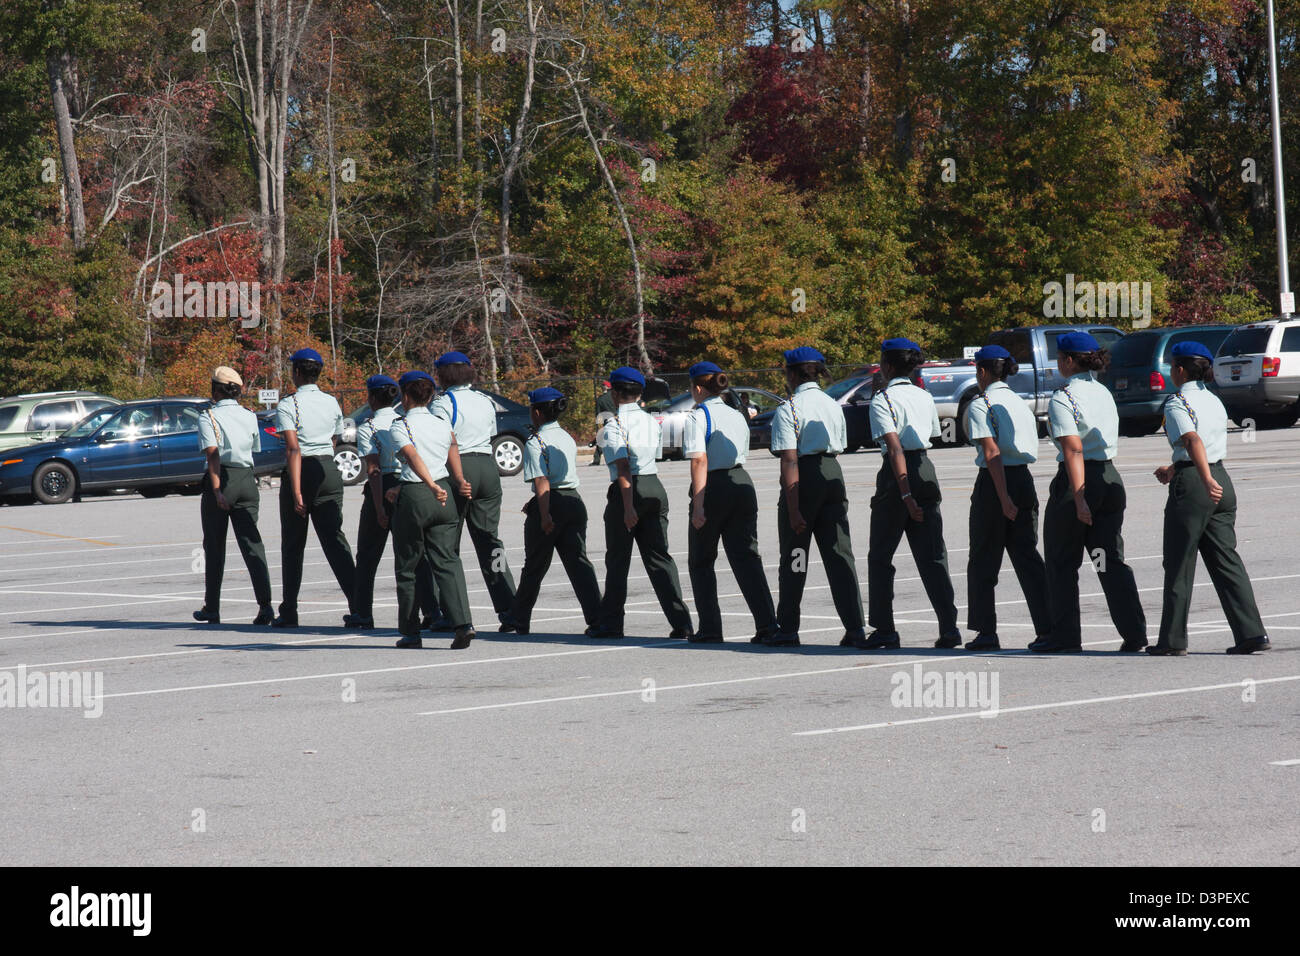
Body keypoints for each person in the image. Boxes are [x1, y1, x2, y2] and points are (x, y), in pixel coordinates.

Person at [1150, 342, 1270, 655]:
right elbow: (1207, 443)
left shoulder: (1177, 402)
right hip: (1221, 478)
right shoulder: (1213, 400)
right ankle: (1252, 633)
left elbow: (1192, 439)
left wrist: (1202, 479)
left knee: (1179, 562)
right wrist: (1176, 468)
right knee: (1226, 560)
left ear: (1178, 369)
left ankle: (1172, 641)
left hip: (1197, 485)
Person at [1033, 331, 1147, 653]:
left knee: (1061, 562)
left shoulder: (1064, 397)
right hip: (1109, 476)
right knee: (1108, 561)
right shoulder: (1103, 392)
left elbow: (1073, 450)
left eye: (1059, 358)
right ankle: (1135, 633)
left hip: (1077, 482)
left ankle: (1065, 637)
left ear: (1068, 360)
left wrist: (1079, 497)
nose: (1058, 363)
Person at [861, 338, 960, 650]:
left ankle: (885, 629)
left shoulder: (883, 400)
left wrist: (905, 495)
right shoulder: (922, 395)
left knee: (880, 557)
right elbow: (930, 434)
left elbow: (894, 448)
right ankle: (949, 627)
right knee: (933, 557)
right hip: (924, 468)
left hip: (896, 477)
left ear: (887, 366)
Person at [767, 346, 865, 647]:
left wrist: (795, 509)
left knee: (796, 556)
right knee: (839, 556)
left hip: (804, 478)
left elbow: (790, 459)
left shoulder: (790, 408)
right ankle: (855, 627)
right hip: (833, 474)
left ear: (793, 373)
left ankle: (788, 628)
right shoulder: (832, 403)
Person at [588, 366, 694, 639]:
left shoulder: (613, 426)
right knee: (660, 559)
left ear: (614, 393)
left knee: (618, 560)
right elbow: (655, 454)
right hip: (654, 485)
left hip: (629, 491)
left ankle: (611, 623)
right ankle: (681, 622)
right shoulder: (652, 420)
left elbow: (623, 469)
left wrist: (627, 507)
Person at [962, 345, 1051, 650]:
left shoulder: (981, 403)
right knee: (1028, 560)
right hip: (1023, 479)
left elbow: (992, 453)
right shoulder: (1019, 402)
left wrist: (1003, 499)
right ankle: (1047, 628)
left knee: (984, 560)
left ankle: (986, 632)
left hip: (995, 483)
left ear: (982, 371)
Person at [684, 361, 777, 643]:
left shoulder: (698, 416)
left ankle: (711, 628)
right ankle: (767, 625)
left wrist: (698, 505)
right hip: (741, 483)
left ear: (698, 388)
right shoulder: (737, 414)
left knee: (701, 560)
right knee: (747, 558)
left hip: (714, 486)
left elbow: (699, 459)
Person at [499, 388, 602, 635]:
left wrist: (544, 515)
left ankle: (518, 618)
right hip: (572, 501)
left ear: (536, 412)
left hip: (551, 503)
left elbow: (543, 481)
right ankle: (598, 618)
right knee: (579, 564)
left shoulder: (537, 442)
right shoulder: (566, 437)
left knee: (534, 565)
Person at [388, 371, 476, 650]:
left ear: (404, 395)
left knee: (408, 565)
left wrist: (428, 484)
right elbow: (453, 447)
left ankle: (412, 632)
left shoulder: (400, 425)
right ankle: (463, 623)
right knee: (447, 560)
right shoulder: (440, 423)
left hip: (417, 493)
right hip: (444, 494)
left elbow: (412, 456)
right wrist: (458, 480)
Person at [345, 374, 440, 630]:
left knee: (367, 556)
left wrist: (378, 507)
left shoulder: (369, 427)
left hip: (384, 487)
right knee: (415, 555)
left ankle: (363, 613)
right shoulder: (403, 421)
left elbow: (374, 470)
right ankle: (432, 612)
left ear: (372, 398)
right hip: (407, 484)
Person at [431, 351, 518, 628]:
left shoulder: (443, 403)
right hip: (487, 466)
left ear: (444, 374)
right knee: (490, 541)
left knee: (446, 546)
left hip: (460, 467)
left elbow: (444, 441)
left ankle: (451, 613)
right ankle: (509, 608)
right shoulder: (485, 400)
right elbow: (491, 433)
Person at [273, 348, 357, 628]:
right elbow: (334, 439)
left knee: (293, 545)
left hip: (302, 470)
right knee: (335, 540)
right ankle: (358, 606)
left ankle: (290, 610)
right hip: (328, 468)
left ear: (297, 372)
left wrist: (296, 491)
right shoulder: (331, 402)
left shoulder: (289, 404)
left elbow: (293, 449)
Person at [192, 366, 274, 626]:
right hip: (247, 478)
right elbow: (253, 448)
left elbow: (213, 454)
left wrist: (216, 489)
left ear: (216, 389)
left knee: (214, 547)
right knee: (253, 546)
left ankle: (212, 607)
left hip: (223, 478)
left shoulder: (209, 417)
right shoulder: (249, 415)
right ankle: (266, 606)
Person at [591, 381, 616, 465]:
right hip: (619, 420)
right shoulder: (616, 396)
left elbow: (599, 415)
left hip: (608, 422)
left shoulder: (600, 399)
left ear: (604, 387)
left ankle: (597, 460)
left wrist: (599, 427)